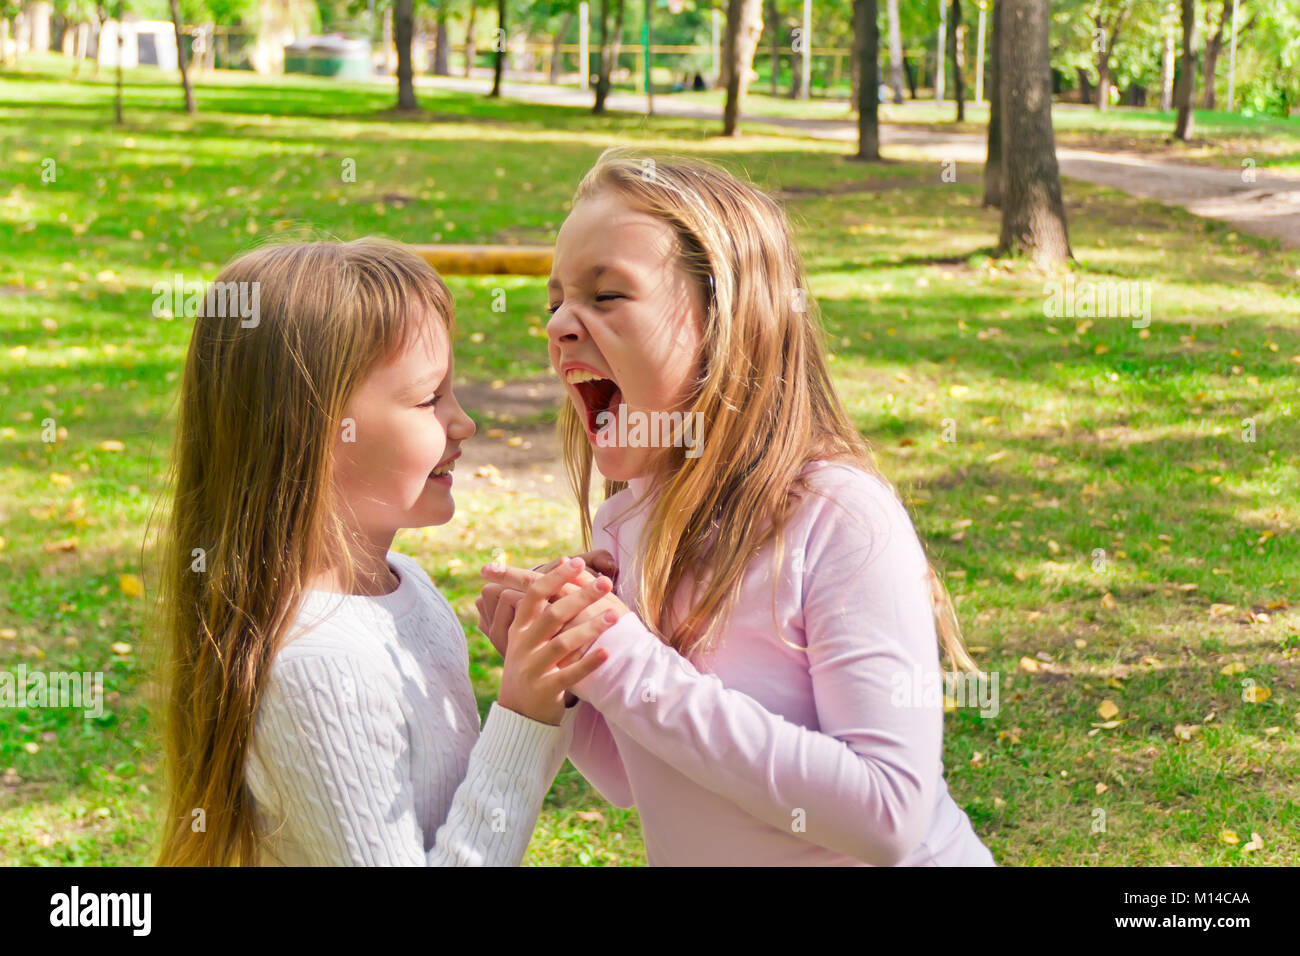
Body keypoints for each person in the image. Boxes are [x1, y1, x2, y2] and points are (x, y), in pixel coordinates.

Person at [479, 150, 997, 866]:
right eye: (555, 301)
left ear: (729, 325)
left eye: (606, 296)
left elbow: (888, 815)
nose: (561, 323)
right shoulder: (627, 521)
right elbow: (644, 775)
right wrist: (565, 669)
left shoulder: (838, 518)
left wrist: (625, 662)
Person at [155, 238, 620, 866]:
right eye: (430, 398)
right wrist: (522, 712)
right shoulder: (318, 666)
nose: (463, 423)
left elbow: (466, 816)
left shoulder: (407, 587)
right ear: (310, 428)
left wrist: (545, 674)